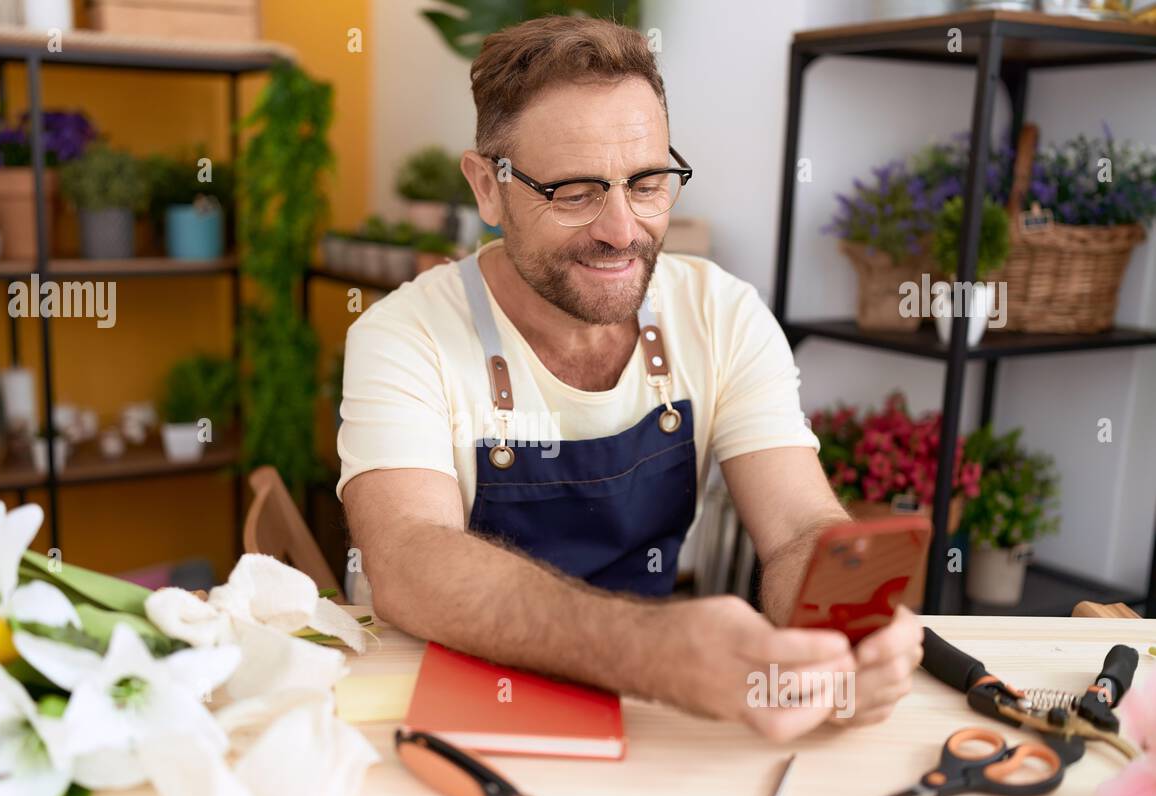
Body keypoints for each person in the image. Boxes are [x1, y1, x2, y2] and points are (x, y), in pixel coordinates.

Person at [337, 16, 922, 741]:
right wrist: (648, 650)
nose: (623, 229)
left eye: (647, 182)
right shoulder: (405, 336)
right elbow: (408, 559)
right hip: (442, 713)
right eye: (576, 192)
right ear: (488, 188)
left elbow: (800, 526)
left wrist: (843, 627)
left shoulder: (721, 315)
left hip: (648, 721)